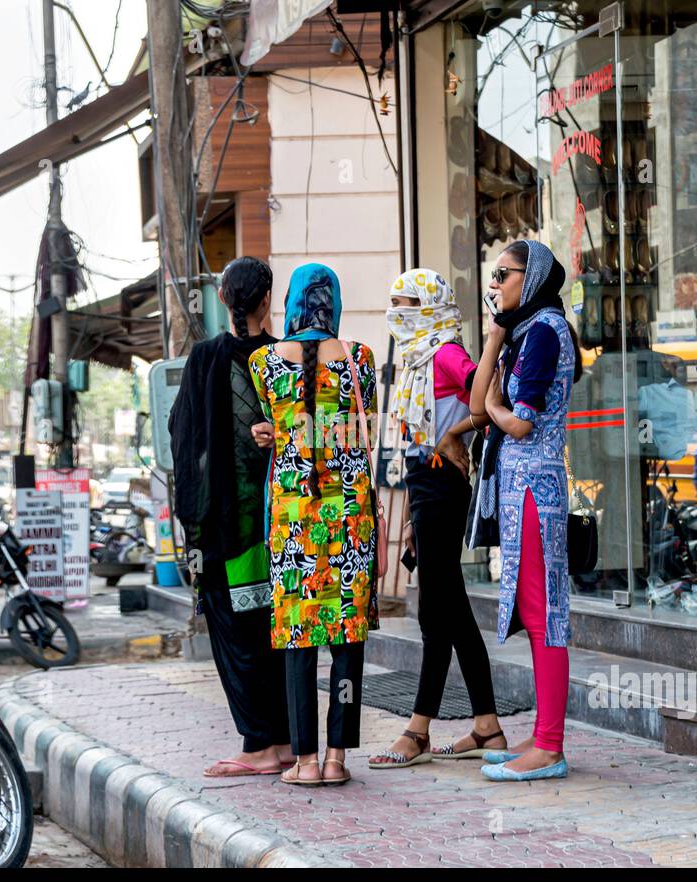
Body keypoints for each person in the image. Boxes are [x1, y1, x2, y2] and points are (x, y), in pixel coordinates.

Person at [368, 268, 507, 769]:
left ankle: (418, 729)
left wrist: (456, 435)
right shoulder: (417, 357)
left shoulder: (446, 353)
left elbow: (492, 400)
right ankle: (487, 727)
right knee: (453, 610)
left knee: (436, 610)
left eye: (406, 304)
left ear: (429, 308)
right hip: (423, 482)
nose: (397, 313)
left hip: (443, 481)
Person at [248, 263, 379, 787]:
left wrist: (276, 432)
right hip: (349, 517)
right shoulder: (359, 359)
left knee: (299, 640)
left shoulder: (262, 362)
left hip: (294, 518)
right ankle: (337, 759)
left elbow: (282, 424)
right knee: (347, 638)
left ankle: (304, 762)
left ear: (294, 303)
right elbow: (353, 420)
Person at [168, 256, 292, 778]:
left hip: (227, 530)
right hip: (283, 524)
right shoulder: (285, 359)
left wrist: (192, 522)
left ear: (223, 300)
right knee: (277, 630)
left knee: (236, 631)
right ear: (268, 300)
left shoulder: (205, 358)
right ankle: (286, 739)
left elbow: (183, 436)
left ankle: (259, 744)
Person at [468, 239, 582, 782]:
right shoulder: (522, 331)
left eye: (503, 274)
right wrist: (494, 334)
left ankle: (550, 745)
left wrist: (494, 407)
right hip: (522, 487)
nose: (495, 284)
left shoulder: (544, 333)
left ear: (531, 278)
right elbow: (475, 405)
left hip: (536, 485)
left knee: (545, 615)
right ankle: (541, 738)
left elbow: (519, 422)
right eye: (493, 275)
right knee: (535, 615)